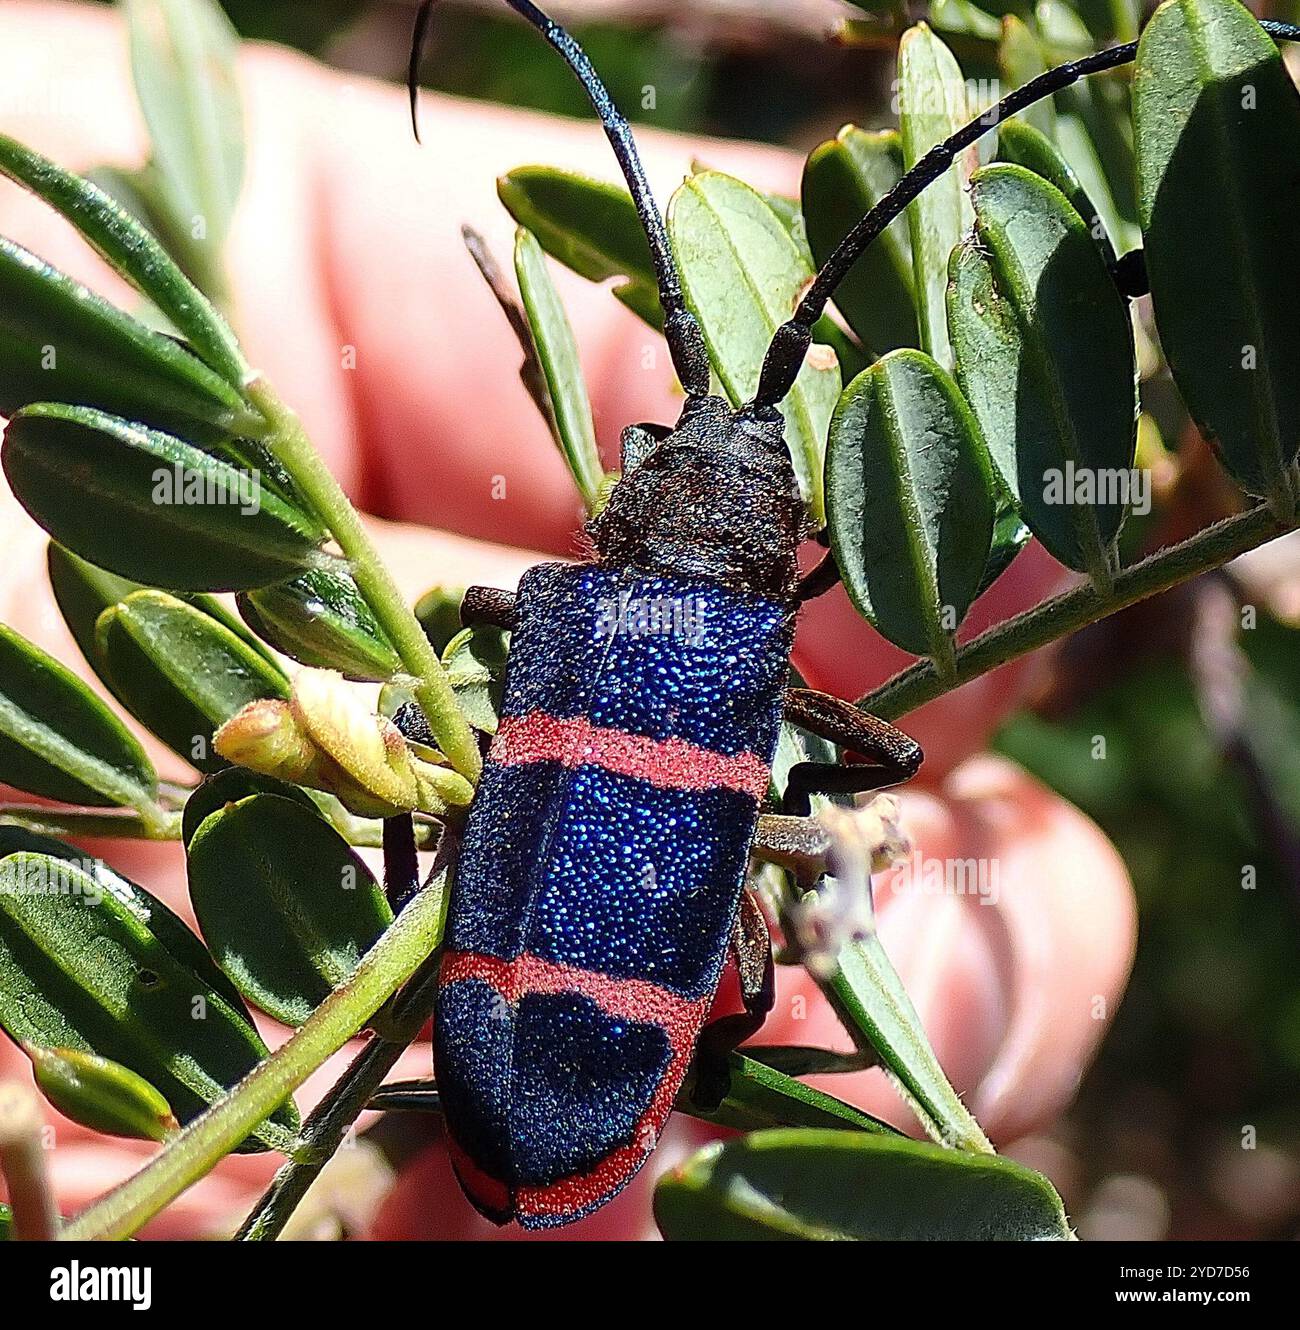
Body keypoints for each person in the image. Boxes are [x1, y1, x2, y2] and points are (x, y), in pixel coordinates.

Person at [0, 1, 1133, 1239]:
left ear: (636, 481)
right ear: (785, 531)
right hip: (563, 1048)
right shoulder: (753, 657)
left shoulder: (550, 604)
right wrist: (787, 807)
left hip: (540, 1028)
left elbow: (476, 610)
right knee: (770, 971)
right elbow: (897, 754)